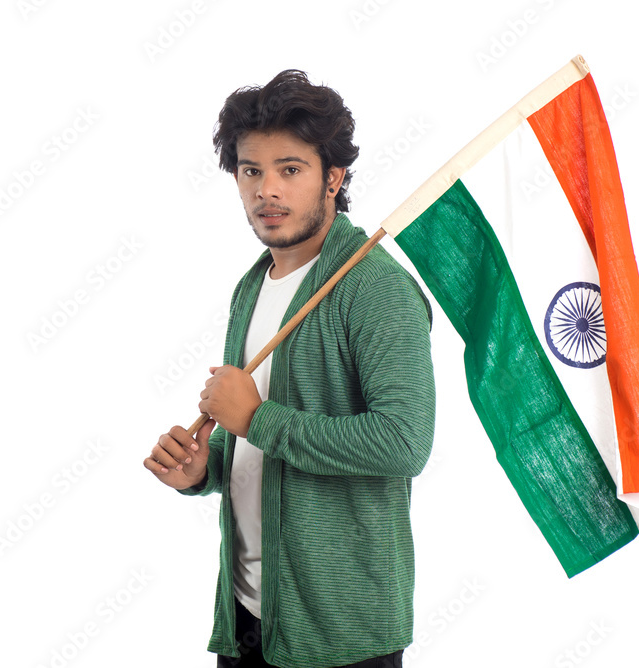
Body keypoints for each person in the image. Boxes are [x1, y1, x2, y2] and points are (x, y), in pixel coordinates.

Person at [144, 70, 435, 668]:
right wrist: (207, 467)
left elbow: (404, 444)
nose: (266, 190)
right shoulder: (252, 287)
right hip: (252, 614)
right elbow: (256, 442)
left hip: (343, 629)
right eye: (251, 171)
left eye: (290, 169)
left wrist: (254, 418)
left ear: (334, 177)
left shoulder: (375, 288)